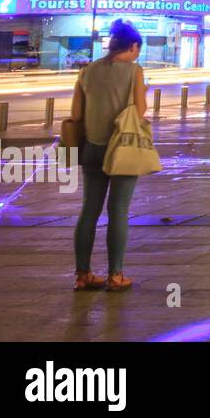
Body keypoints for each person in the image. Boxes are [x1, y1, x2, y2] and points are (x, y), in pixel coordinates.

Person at [69, 20, 146, 292]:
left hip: (92, 148)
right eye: (138, 49)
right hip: (122, 148)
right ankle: (115, 275)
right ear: (133, 46)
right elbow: (140, 110)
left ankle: (82, 274)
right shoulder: (135, 71)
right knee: (119, 211)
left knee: (89, 210)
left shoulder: (86, 71)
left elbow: (76, 115)